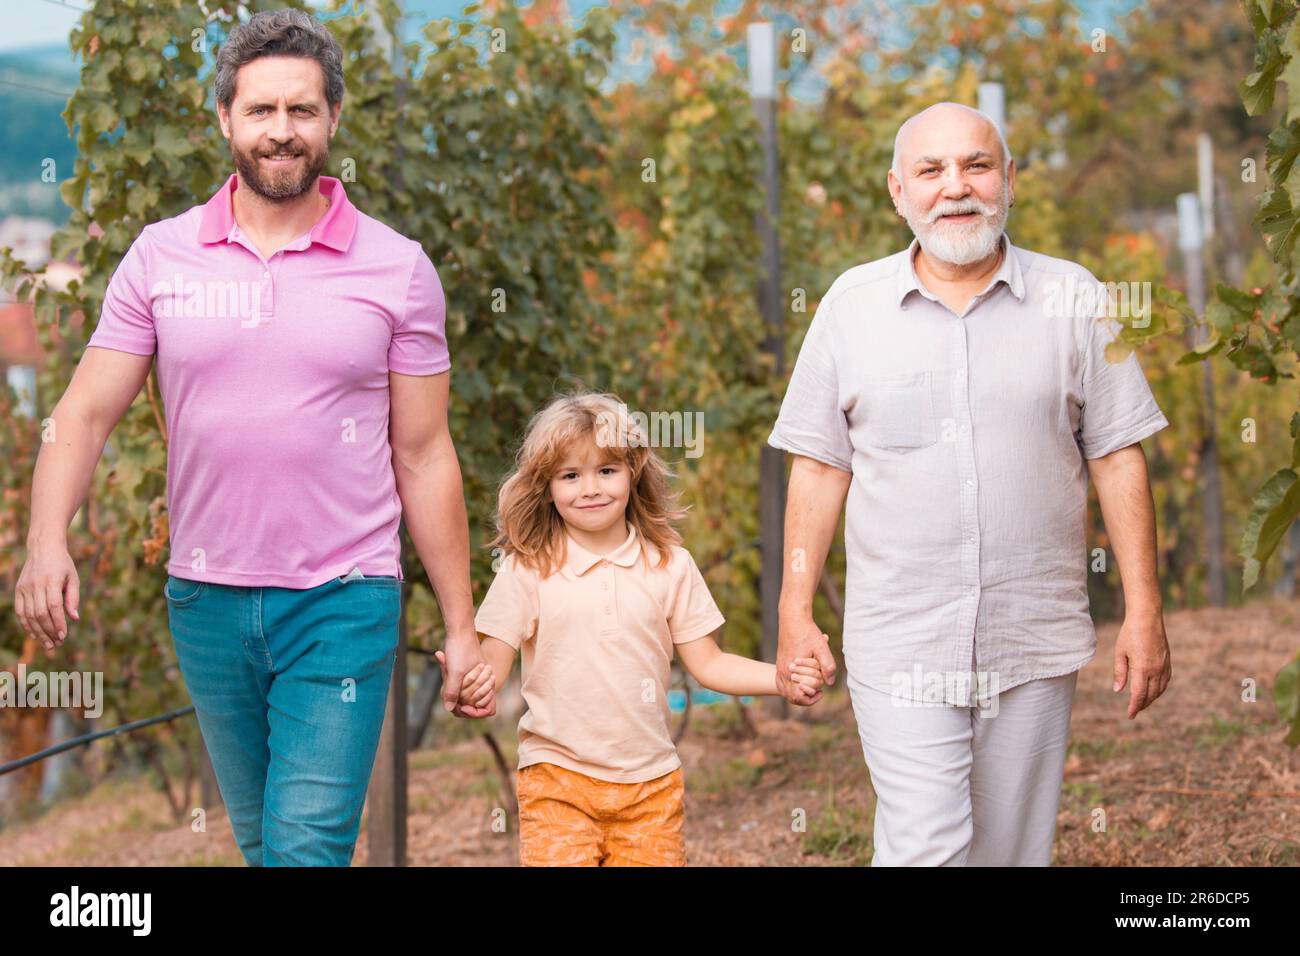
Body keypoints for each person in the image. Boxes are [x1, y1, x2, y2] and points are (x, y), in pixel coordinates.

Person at [13, 9, 489, 866]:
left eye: (302, 111)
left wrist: (461, 624)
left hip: (345, 596)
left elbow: (424, 453)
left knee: (304, 850)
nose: (282, 132)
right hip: (206, 599)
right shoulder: (160, 260)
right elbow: (80, 416)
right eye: (262, 111)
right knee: (264, 844)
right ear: (224, 119)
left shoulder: (397, 267)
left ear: (333, 119)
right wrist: (47, 542)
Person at [767, 102, 1172, 866]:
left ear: (1009, 180)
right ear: (898, 192)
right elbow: (819, 467)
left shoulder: (1075, 297)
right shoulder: (851, 308)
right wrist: (794, 610)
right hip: (901, 638)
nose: (956, 187)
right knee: (927, 849)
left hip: (1032, 636)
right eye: (931, 170)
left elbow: (1118, 455)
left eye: (977, 166)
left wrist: (1145, 608)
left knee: (1011, 855)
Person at [438, 391, 826, 866]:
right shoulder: (527, 569)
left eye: (606, 470)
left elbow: (710, 663)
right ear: (547, 486)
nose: (590, 488)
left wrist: (781, 679)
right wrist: (472, 688)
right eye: (570, 475)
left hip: (651, 786)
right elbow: (491, 667)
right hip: (557, 778)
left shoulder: (670, 565)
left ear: (632, 471)